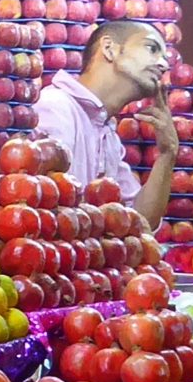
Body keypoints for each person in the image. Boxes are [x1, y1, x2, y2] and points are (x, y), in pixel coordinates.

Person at [32, 18, 179, 228]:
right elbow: (48, 207)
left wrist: (168, 153)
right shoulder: (55, 107)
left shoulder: (108, 134)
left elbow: (139, 221)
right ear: (109, 49)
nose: (164, 65)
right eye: (151, 49)